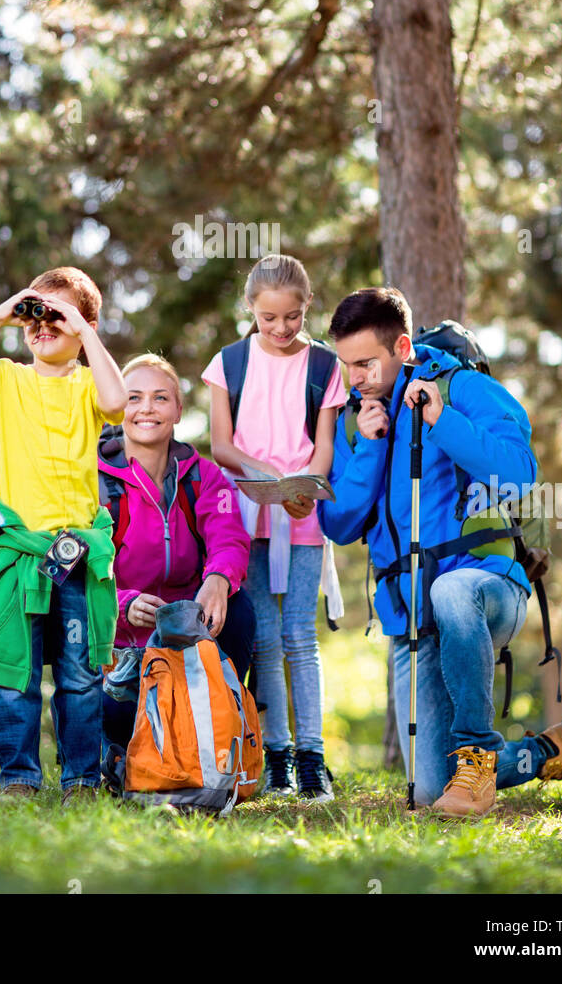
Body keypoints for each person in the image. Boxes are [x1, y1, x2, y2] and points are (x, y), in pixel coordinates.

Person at [318, 286, 562, 817]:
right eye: (347, 365)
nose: (356, 377)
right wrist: (369, 445)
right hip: (412, 617)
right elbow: (339, 523)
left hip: (484, 588)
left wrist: (443, 420)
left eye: (366, 362)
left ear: (403, 346)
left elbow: (521, 474)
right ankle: (553, 751)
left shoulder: (464, 389)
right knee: (430, 793)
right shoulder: (355, 419)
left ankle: (478, 755)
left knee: (451, 588)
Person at [0, 265, 128, 806]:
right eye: (35, 316)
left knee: (80, 677)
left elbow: (117, 404)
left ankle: (82, 781)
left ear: (83, 327)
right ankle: (18, 778)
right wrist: (0, 314)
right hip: (20, 554)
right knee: (14, 675)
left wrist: (86, 332)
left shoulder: (90, 384)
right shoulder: (7, 378)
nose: (43, 326)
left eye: (57, 318)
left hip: (78, 556)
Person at [203, 254, 347, 801]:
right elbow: (221, 444)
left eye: (292, 317)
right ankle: (277, 757)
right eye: (269, 319)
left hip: (302, 514)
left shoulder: (323, 366)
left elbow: (326, 444)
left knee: (298, 636)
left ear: (307, 307)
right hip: (248, 514)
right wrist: (268, 478)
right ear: (250, 310)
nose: (281, 329)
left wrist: (302, 486)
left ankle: (312, 757)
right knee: (264, 637)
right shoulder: (229, 364)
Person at [97, 353, 254, 755]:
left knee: (241, 609)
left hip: (185, 635)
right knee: (120, 721)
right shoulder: (91, 481)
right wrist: (122, 604)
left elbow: (228, 536)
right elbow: (77, 572)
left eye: (160, 398)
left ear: (178, 410)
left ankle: (220, 736)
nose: (146, 408)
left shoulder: (203, 475)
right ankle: (106, 744)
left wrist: (218, 579)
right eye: (133, 398)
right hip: (119, 651)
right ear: (117, 407)